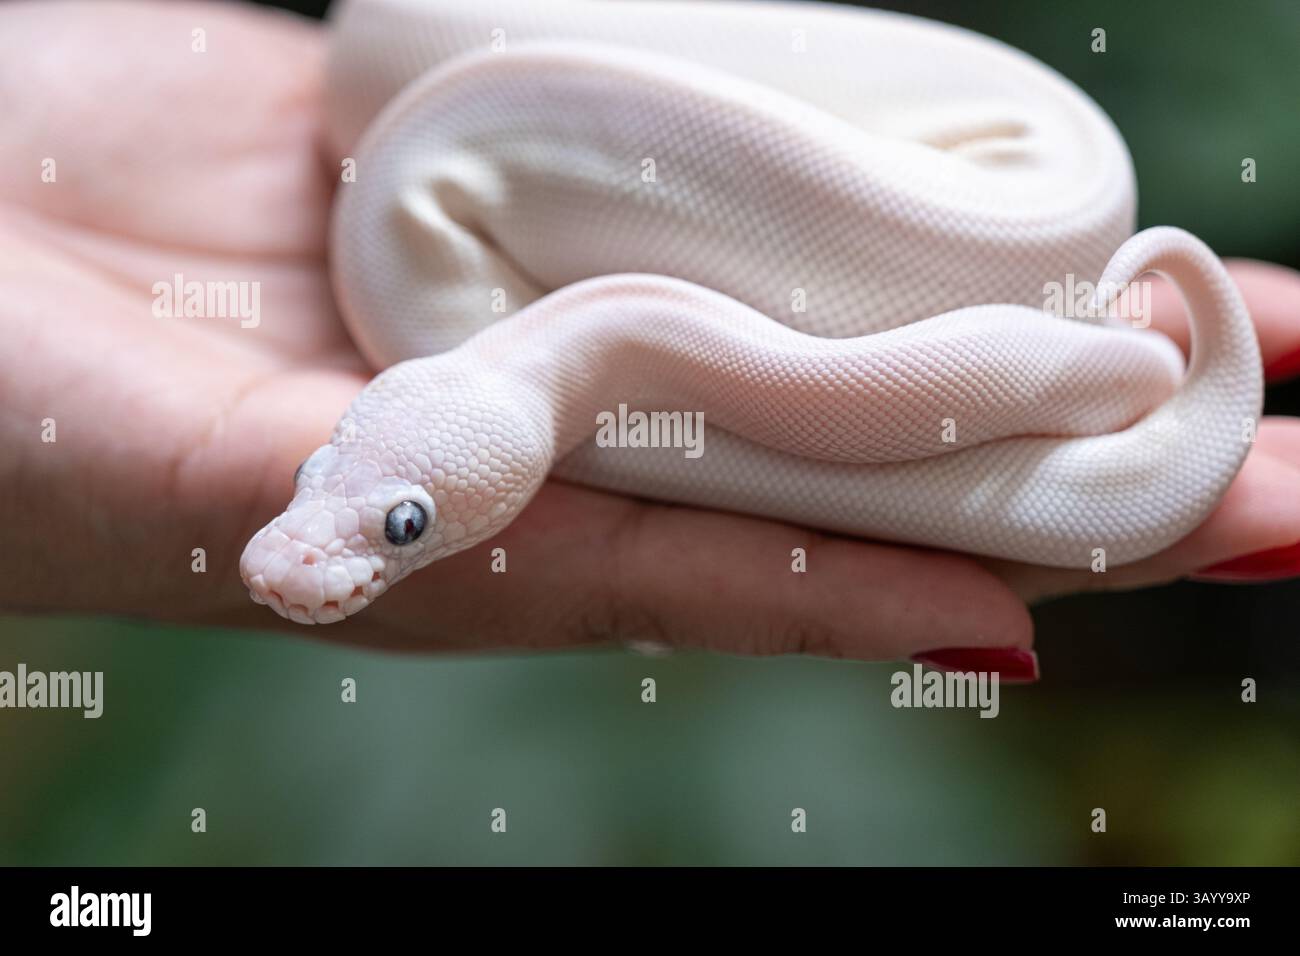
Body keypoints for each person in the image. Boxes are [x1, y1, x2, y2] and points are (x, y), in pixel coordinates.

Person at [3, 1, 1298, 675]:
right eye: (392, 518)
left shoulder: (432, 307)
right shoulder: (465, 355)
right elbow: (1120, 362)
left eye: (401, 522)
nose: (328, 547)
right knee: (1124, 364)